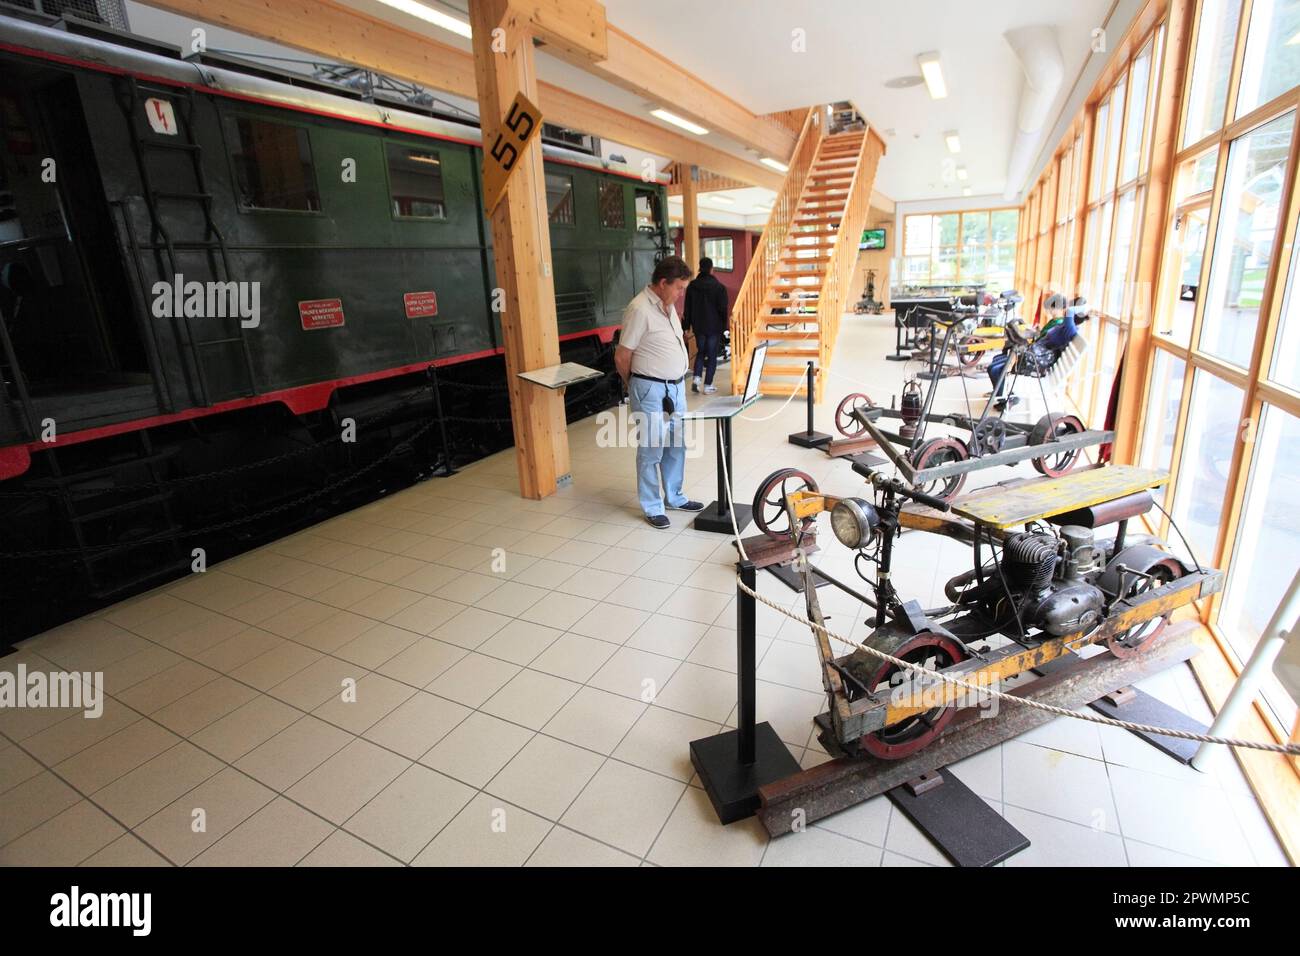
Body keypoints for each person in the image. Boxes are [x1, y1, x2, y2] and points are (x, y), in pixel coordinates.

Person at [615, 256, 706, 529]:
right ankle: (652, 506)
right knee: (651, 448)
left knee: (676, 445)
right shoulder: (639, 309)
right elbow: (622, 356)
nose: (681, 294)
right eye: (679, 288)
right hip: (650, 389)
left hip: (675, 388)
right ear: (663, 283)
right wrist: (636, 385)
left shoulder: (668, 306)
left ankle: (674, 497)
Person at [989, 293, 1086, 408]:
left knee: (994, 369)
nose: (1066, 309)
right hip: (1033, 357)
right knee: (994, 366)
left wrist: (1085, 308)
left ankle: (1005, 398)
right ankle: (1003, 395)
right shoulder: (1065, 326)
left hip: (1035, 362)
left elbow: (1070, 311)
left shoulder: (1070, 329)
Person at [682, 256, 729, 394]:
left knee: (701, 352)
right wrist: (724, 326)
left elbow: (687, 308)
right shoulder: (719, 287)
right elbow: (723, 309)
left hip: (699, 326)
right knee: (712, 354)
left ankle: (696, 379)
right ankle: (708, 385)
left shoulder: (692, 286)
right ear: (711, 269)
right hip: (714, 327)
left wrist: (686, 326)